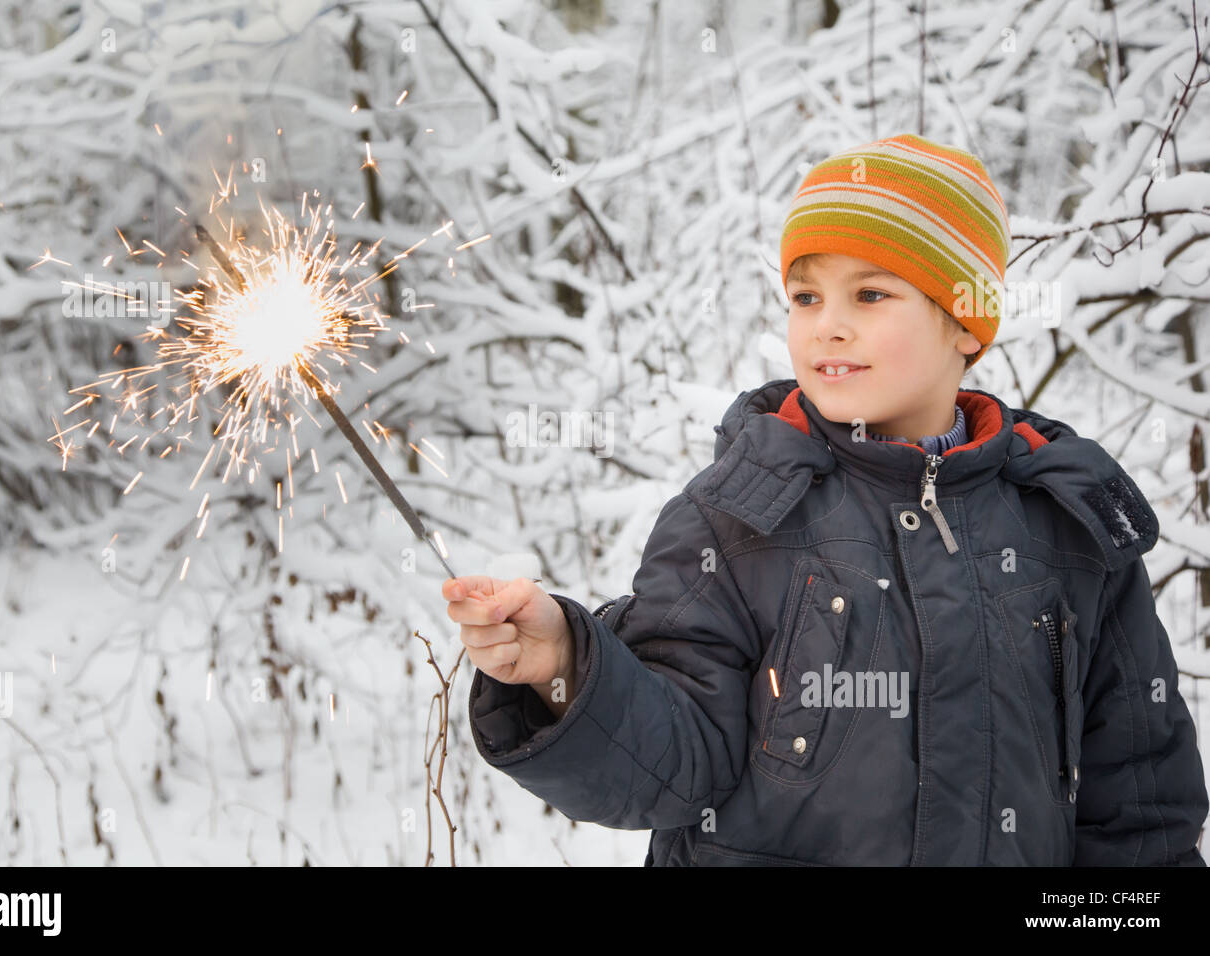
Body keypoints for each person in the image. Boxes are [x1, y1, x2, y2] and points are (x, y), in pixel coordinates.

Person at [442, 133, 1209, 866]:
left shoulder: (1067, 528)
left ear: (964, 326)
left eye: (869, 294)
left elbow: (1141, 804)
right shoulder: (736, 516)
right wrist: (566, 670)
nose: (828, 327)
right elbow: (671, 769)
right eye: (806, 297)